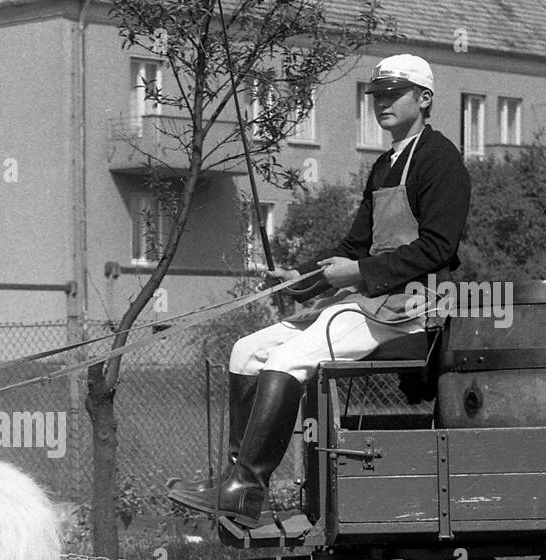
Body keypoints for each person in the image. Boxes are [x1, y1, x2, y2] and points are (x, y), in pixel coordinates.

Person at [167, 53, 471, 524]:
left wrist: (358, 274)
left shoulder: (442, 160)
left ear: (424, 98)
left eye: (394, 94)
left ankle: (248, 490)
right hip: (369, 301)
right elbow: (355, 245)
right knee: (246, 351)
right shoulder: (385, 164)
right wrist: (302, 278)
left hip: (412, 310)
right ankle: (235, 480)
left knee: (289, 359)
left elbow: (437, 249)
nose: (382, 103)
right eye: (377, 95)